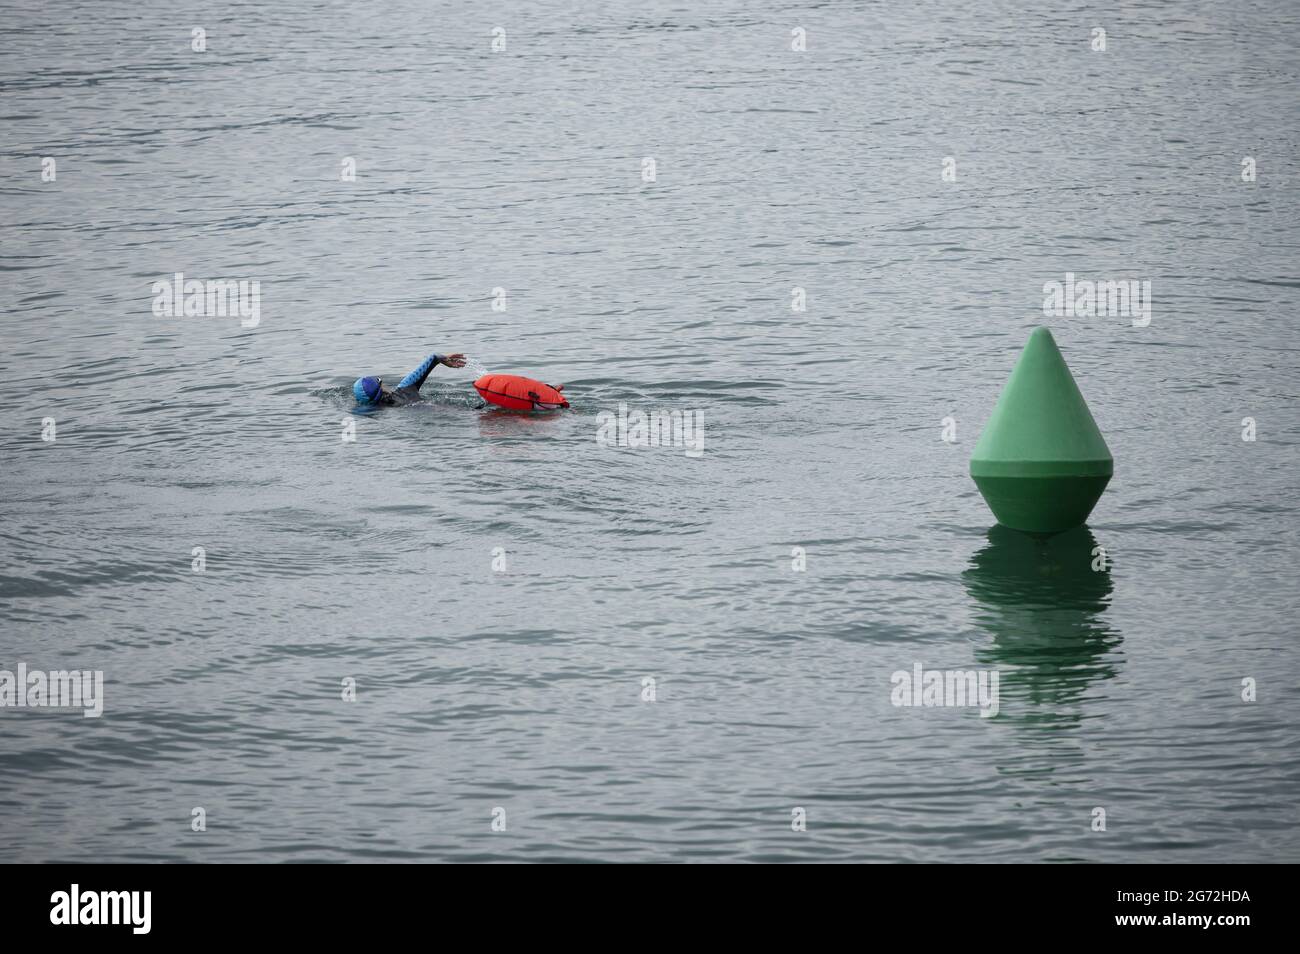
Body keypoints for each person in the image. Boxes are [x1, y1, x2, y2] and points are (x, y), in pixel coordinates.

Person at [352, 352, 467, 405]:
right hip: (444, 407)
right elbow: (433, 357)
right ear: (380, 386)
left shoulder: (376, 410)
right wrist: (445, 360)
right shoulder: (405, 388)